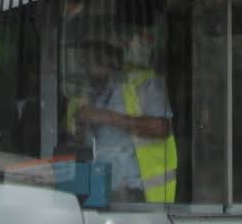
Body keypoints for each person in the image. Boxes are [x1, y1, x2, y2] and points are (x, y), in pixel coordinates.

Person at [69, 33, 177, 203]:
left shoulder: (144, 83)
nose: (92, 63)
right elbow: (73, 147)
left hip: (137, 193)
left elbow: (161, 128)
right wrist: (80, 130)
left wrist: (106, 117)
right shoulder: (79, 97)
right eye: (86, 58)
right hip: (93, 190)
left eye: (98, 56)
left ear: (113, 59)